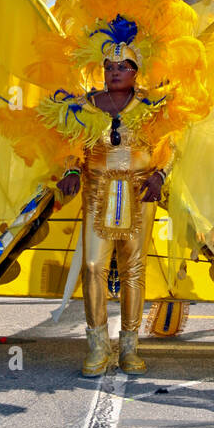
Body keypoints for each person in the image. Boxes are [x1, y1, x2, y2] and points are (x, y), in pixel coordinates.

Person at [54, 44, 168, 376]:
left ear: (136, 72)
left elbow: (169, 143)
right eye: (109, 66)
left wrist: (161, 174)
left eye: (122, 66)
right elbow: (70, 144)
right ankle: (97, 346)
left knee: (134, 269)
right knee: (92, 266)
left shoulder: (151, 106)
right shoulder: (84, 106)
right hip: (96, 193)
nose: (114, 71)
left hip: (139, 193)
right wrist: (72, 170)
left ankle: (129, 349)